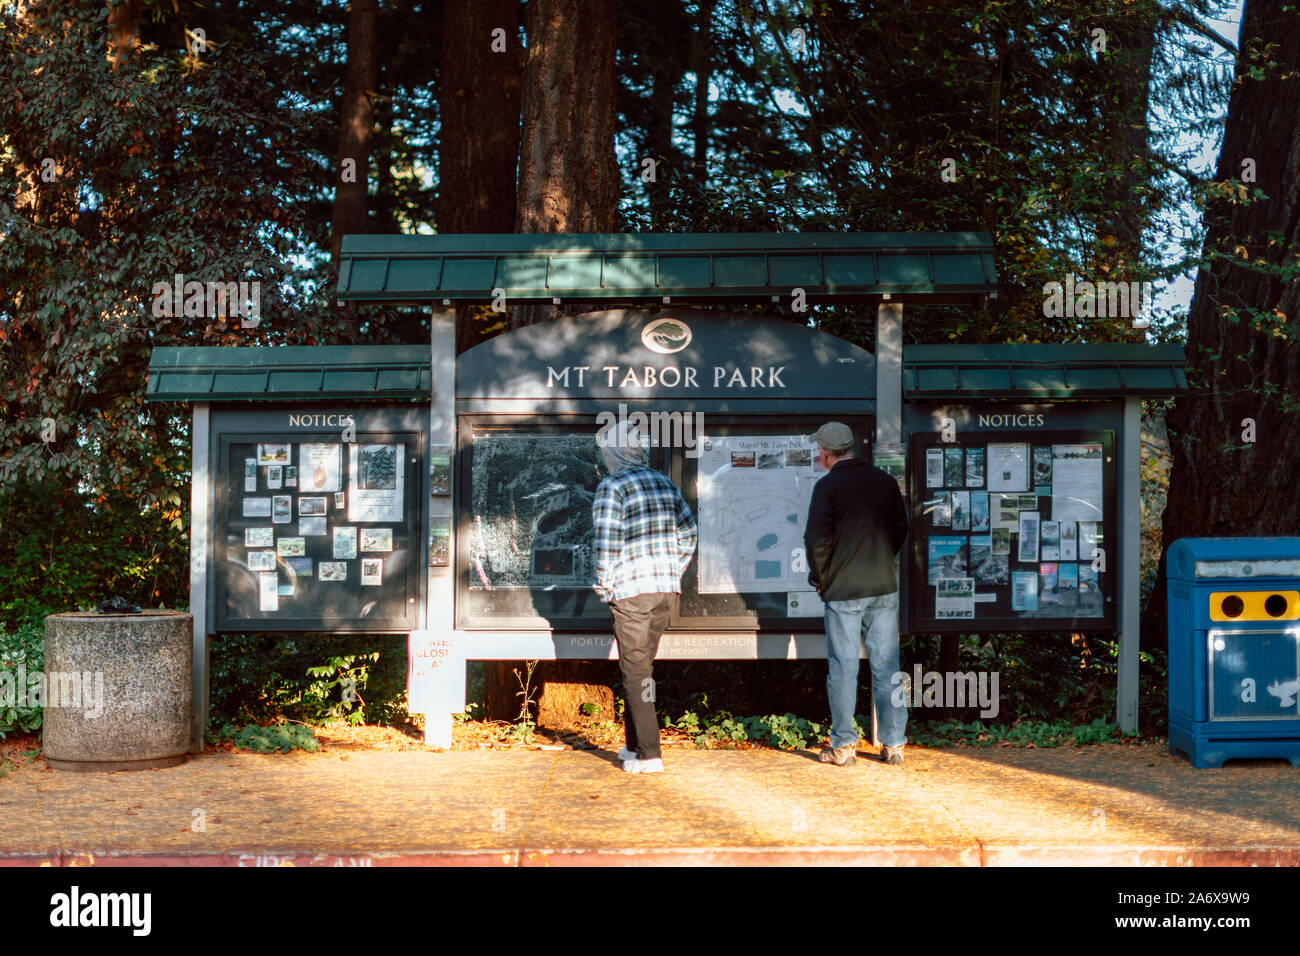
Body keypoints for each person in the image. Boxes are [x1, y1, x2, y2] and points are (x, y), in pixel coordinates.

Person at [592, 419, 698, 774]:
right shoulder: (665, 483)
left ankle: (650, 755)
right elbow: (689, 534)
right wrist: (673, 570)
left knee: (636, 673)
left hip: (631, 592)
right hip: (664, 590)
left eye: (606, 451)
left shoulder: (612, 487)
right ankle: (635, 746)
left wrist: (605, 585)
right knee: (642, 670)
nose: (603, 457)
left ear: (616, 453)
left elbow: (606, 544)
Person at [803, 422, 909, 767]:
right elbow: (900, 528)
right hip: (882, 587)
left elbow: (815, 540)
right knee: (887, 666)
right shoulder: (885, 481)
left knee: (844, 668)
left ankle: (844, 746)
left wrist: (823, 579)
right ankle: (893, 744)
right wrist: (881, 559)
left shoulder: (827, 487)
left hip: (844, 590)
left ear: (824, 452)